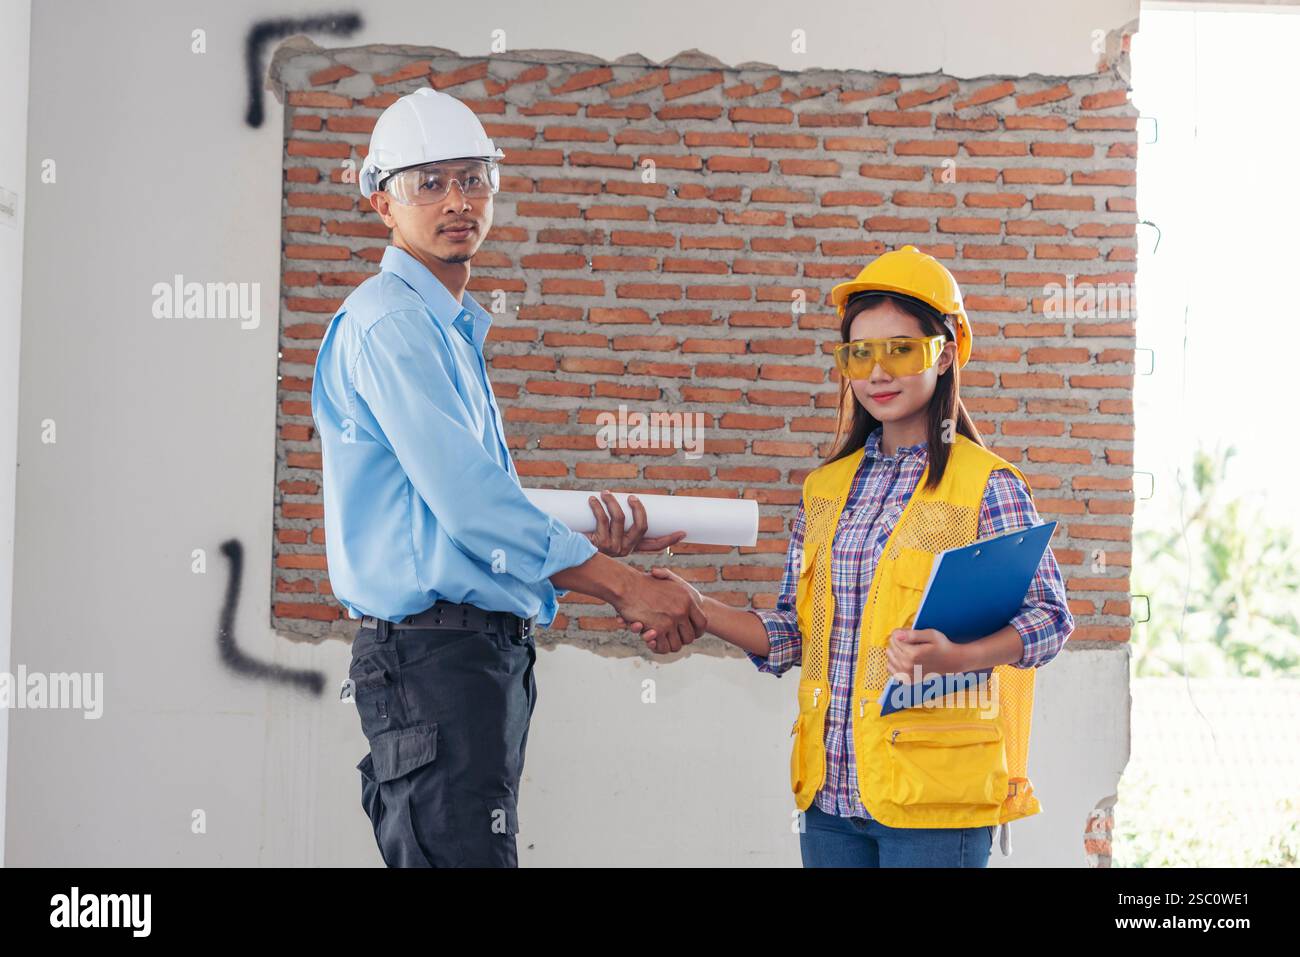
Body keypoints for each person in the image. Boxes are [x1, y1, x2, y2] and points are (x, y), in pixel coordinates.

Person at [311, 88, 705, 867]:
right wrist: (622, 584)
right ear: (382, 202)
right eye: (429, 183)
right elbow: (472, 508)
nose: (457, 201)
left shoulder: (445, 327)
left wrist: (583, 539)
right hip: (436, 658)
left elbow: (447, 508)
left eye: (473, 178)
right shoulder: (394, 323)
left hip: (469, 658)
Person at [630, 246, 1075, 867]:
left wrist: (959, 657)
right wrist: (698, 609)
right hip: (829, 800)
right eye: (859, 353)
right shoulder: (826, 489)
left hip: (934, 805)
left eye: (901, 350)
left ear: (945, 354)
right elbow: (797, 634)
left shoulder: (986, 485)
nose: (877, 372)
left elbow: (1050, 619)